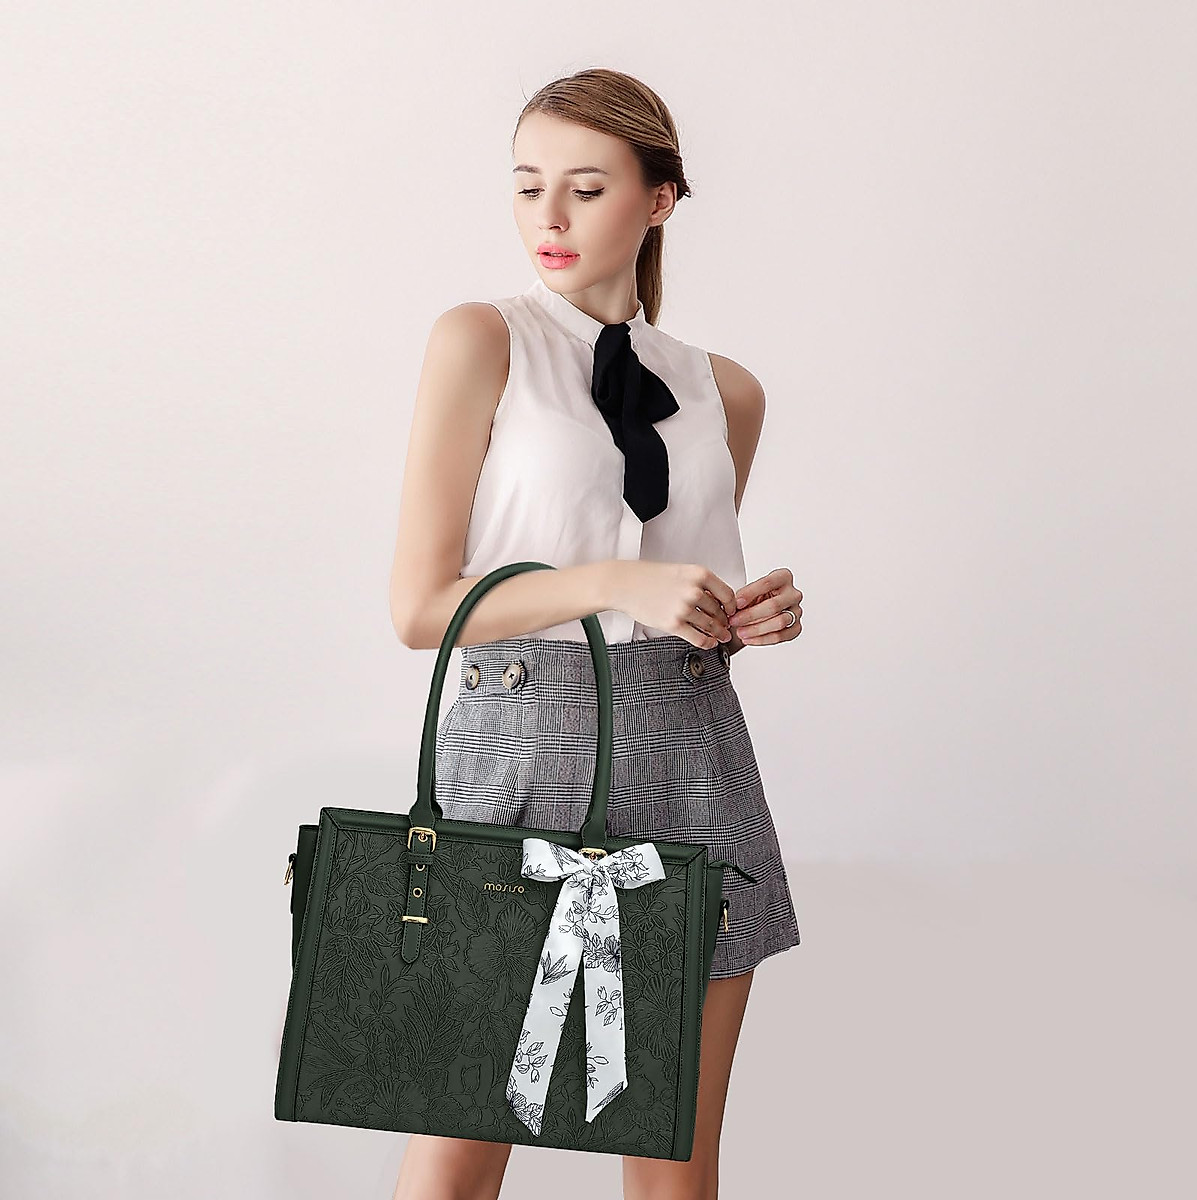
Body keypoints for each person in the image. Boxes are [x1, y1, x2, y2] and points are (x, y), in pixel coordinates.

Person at [388, 67, 803, 1200]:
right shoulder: (484, 339)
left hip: (692, 754)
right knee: (457, 1152)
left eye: (585, 187)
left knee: (672, 1162)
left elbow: (678, 599)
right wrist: (610, 581)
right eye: (529, 187)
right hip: (516, 758)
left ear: (659, 199)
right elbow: (420, 608)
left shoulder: (725, 391)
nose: (550, 217)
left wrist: (742, 618)